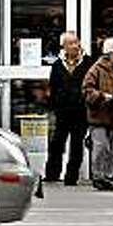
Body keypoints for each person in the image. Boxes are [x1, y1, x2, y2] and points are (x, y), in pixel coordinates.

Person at [44, 31, 92, 186]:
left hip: (81, 110)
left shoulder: (88, 62)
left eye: (76, 42)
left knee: (77, 144)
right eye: (71, 43)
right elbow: (53, 86)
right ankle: (52, 174)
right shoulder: (58, 64)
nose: (75, 46)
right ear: (63, 46)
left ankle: (72, 177)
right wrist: (53, 106)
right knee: (57, 142)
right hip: (62, 110)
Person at [82, 37, 113, 191]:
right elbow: (87, 90)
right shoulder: (96, 69)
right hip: (99, 116)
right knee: (101, 147)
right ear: (109, 53)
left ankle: (107, 176)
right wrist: (102, 96)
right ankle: (98, 176)